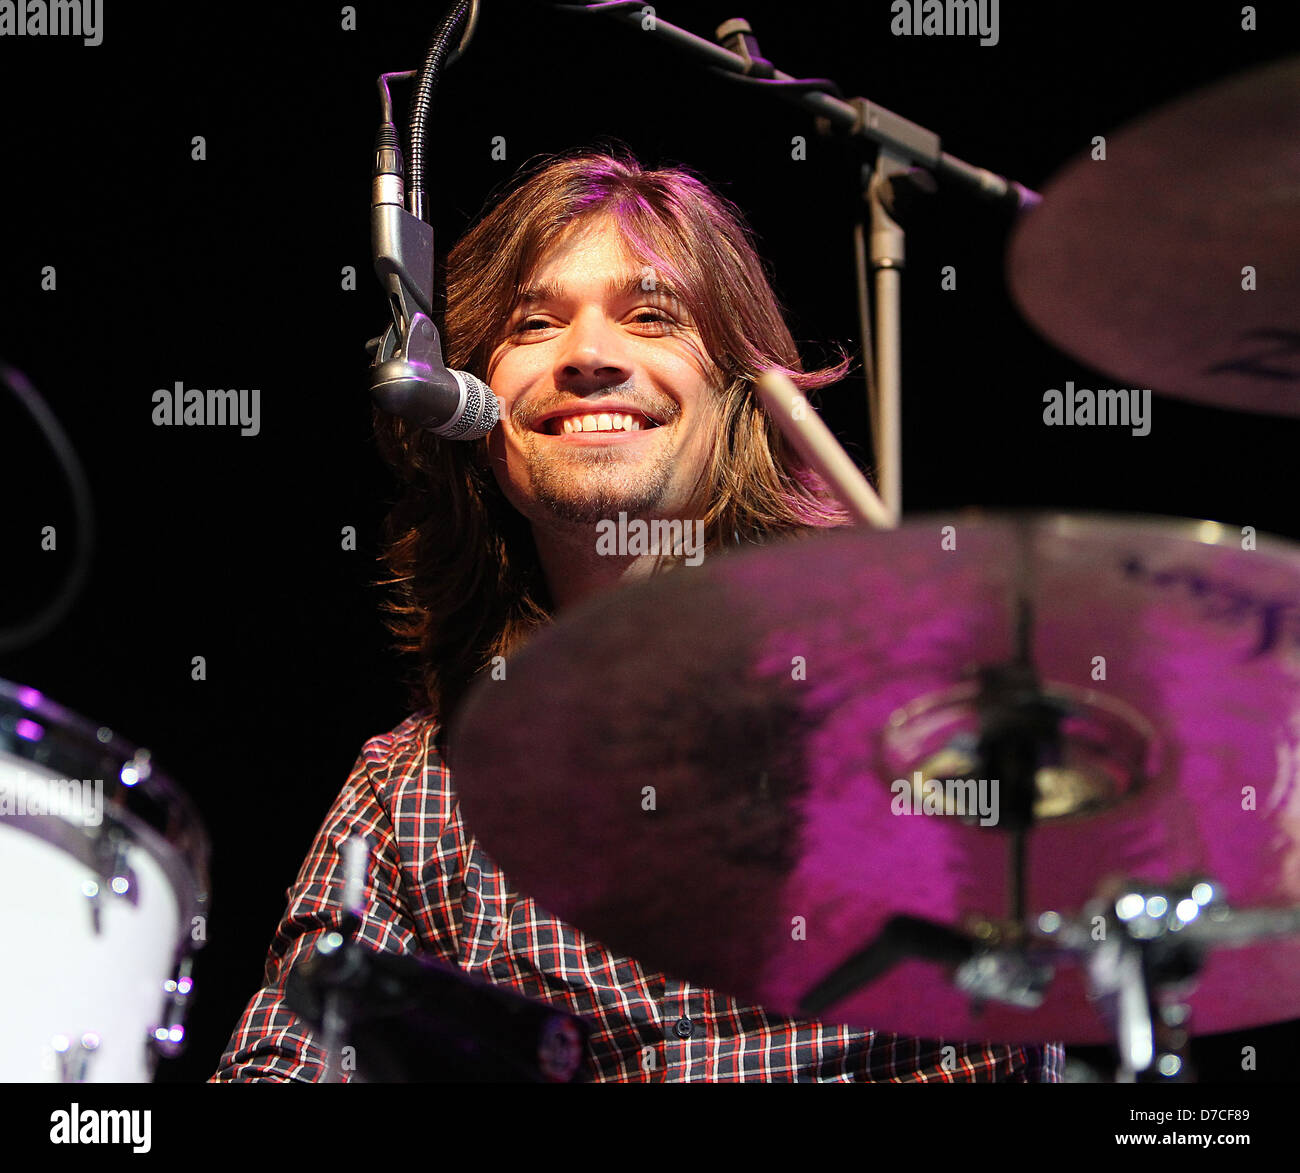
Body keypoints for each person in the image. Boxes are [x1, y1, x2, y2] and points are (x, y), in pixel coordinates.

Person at [211, 148, 1063, 1082]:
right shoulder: (415, 793)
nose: (586, 355)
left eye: (650, 315)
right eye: (533, 323)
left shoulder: (916, 715)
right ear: (473, 416)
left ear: (747, 393)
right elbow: (284, 1063)